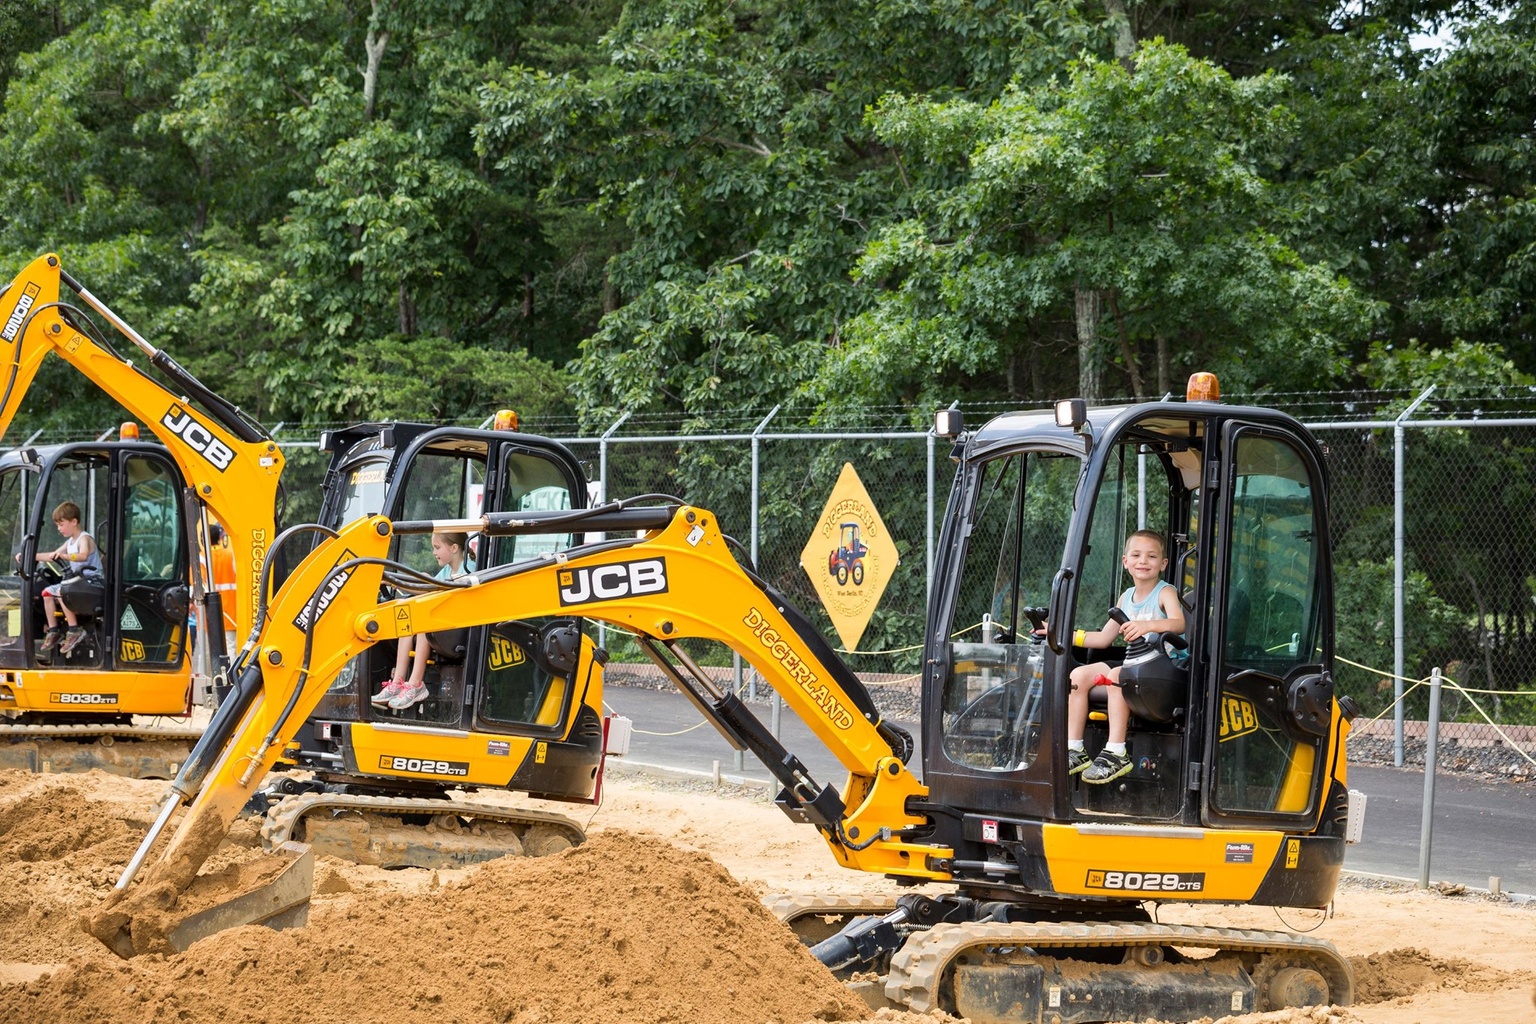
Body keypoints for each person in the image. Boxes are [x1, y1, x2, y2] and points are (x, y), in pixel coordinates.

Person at [1066, 529, 1185, 785]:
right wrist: (1064, 634)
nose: (1143, 561)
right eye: (1137, 555)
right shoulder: (1125, 598)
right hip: (1136, 665)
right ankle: (1075, 748)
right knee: (1078, 676)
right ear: (1126, 562)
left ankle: (1116, 752)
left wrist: (1148, 626)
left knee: (1115, 675)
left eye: (1152, 556)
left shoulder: (1165, 592)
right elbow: (1102, 639)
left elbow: (1179, 624)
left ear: (1163, 564)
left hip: (1165, 669)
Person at [372, 532, 473, 711]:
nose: (434, 552)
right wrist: (402, 583)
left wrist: (418, 583)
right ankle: (397, 682)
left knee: (423, 618)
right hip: (444, 625)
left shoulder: (469, 570)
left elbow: (436, 592)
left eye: (437, 547)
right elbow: (430, 588)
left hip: (460, 629)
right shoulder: (448, 570)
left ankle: (416, 684)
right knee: (408, 615)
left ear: (454, 548)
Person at [36, 501, 104, 659]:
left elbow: (83, 555)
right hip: (77, 582)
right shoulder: (70, 542)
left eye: (61, 524)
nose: (59, 529)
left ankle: (74, 630)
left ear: (74, 522)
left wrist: (65, 556)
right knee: (47, 593)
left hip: (91, 581)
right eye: (57, 525)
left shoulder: (84, 538)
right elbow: (52, 555)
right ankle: (54, 631)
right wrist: (31, 555)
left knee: (62, 590)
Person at [207, 522, 239, 652]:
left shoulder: (202, 558)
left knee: (207, 648)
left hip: (208, 611)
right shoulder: (230, 555)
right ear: (220, 538)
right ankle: (231, 673)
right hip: (231, 608)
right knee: (231, 645)